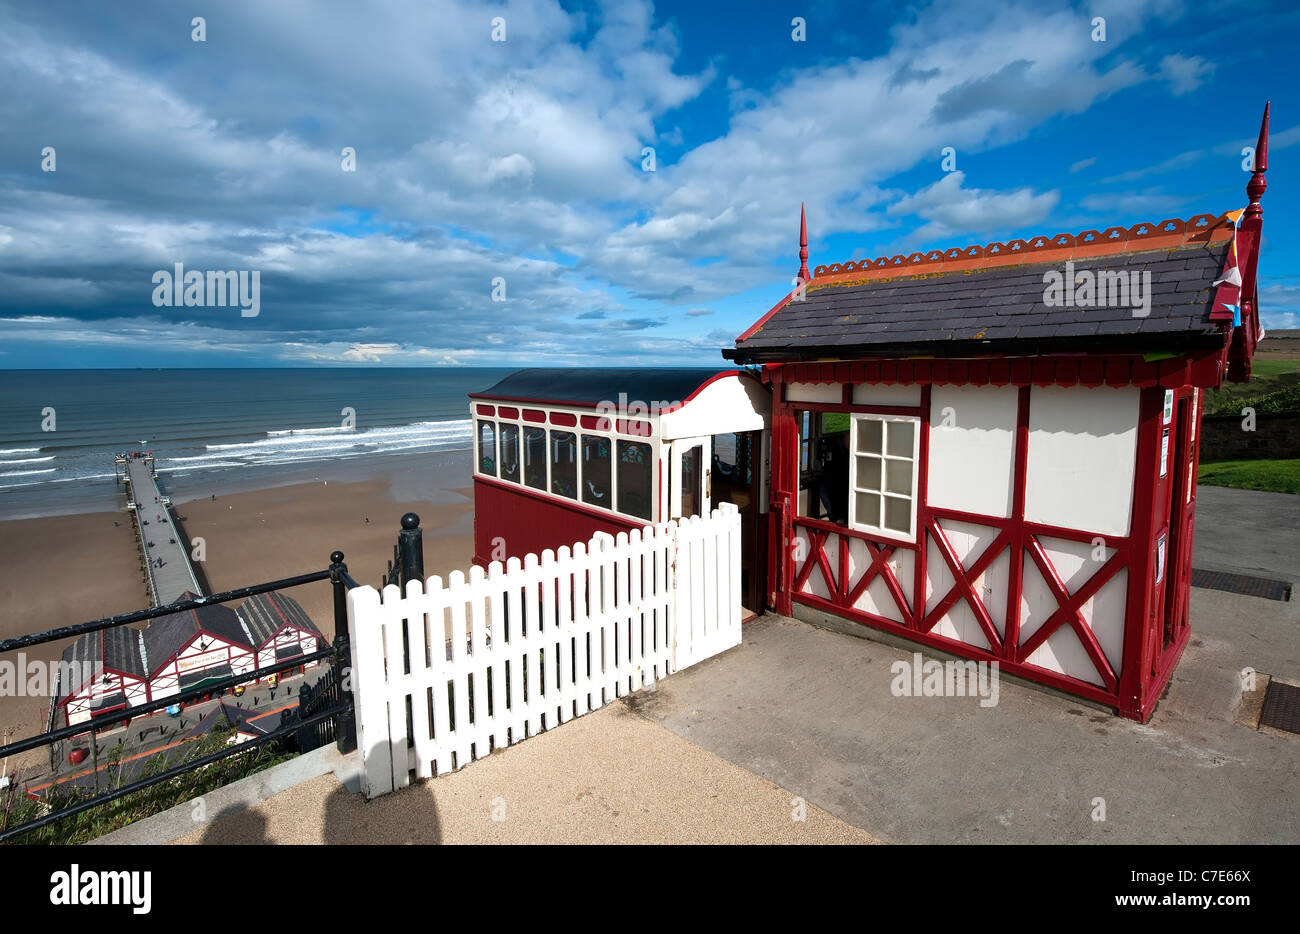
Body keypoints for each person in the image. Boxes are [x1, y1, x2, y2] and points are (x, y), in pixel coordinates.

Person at [818, 432, 850, 524]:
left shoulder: (846, 453)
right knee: (826, 490)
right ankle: (836, 517)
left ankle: (839, 517)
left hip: (839, 476)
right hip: (833, 475)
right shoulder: (834, 446)